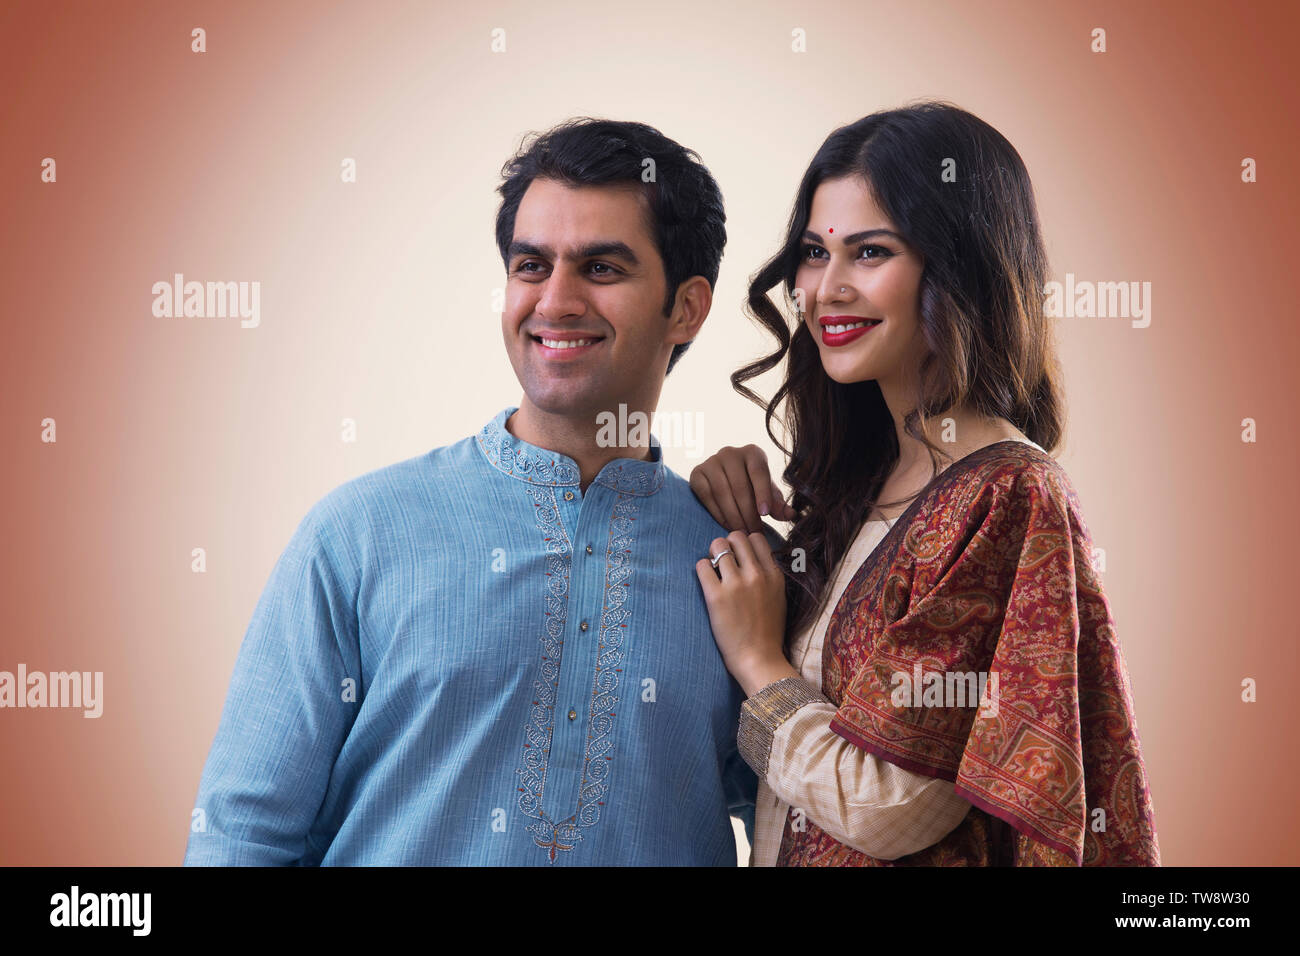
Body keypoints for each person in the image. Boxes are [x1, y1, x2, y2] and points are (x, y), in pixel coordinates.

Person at [184, 117, 756, 866]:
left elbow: (810, 825)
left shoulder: (736, 569)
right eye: (530, 265)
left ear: (686, 307)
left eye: (602, 268)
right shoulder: (359, 534)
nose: (555, 301)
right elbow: (242, 837)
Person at [690, 101, 1159, 866]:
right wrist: (744, 532)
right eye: (814, 252)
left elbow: (886, 809)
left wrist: (756, 662)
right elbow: (799, 748)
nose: (824, 289)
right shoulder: (870, 479)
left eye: (869, 253)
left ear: (958, 265)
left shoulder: (1007, 498)